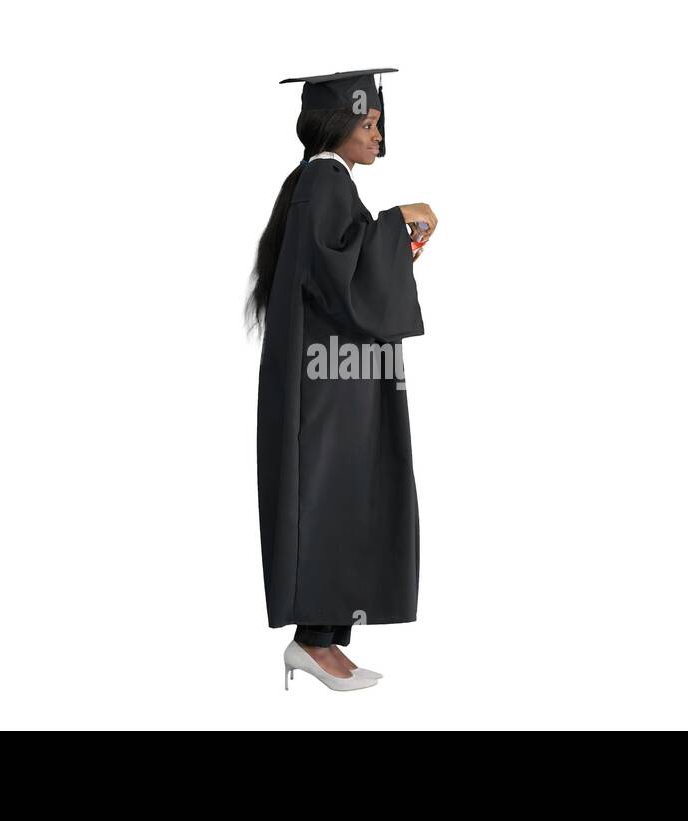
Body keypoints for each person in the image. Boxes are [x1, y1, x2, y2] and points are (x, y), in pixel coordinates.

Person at [247, 68, 437, 691]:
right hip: (325, 391)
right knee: (328, 497)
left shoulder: (324, 184)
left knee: (343, 495)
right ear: (338, 123)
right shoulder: (324, 179)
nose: (378, 133)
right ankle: (310, 640)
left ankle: (325, 639)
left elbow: (344, 272)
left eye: (380, 121)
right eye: (369, 121)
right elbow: (343, 273)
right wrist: (400, 217)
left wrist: (393, 242)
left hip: (333, 382)